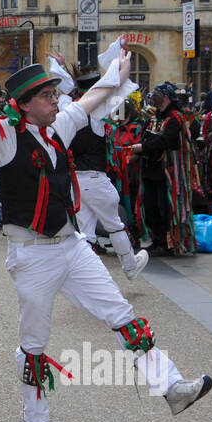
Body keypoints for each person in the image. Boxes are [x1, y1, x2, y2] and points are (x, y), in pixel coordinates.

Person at [0, 51, 212, 422]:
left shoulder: (61, 127)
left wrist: (119, 73)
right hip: (32, 254)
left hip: (71, 246)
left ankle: (171, 385)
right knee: (34, 343)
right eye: (47, 95)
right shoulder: (3, 134)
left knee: (121, 314)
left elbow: (93, 98)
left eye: (56, 93)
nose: (57, 100)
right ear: (23, 104)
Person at [66, 72, 148, 278]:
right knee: (114, 225)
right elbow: (120, 111)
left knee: (86, 232)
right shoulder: (95, 115)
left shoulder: (69, 113)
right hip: (95, 178)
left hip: (75, 180)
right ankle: (130, 266)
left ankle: (84, 273)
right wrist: (116, 78)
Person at [131, 82, 197, 256]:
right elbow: (145, 136)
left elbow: (166, 140)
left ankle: (170, 242)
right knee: (150, 206)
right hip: (150, 169)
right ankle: (157, 239)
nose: (152, 96)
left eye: (156, 93)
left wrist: (143, 148)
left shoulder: (175, 118)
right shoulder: (153, 118)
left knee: (167, 207)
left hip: (168, 172)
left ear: (165, 97)